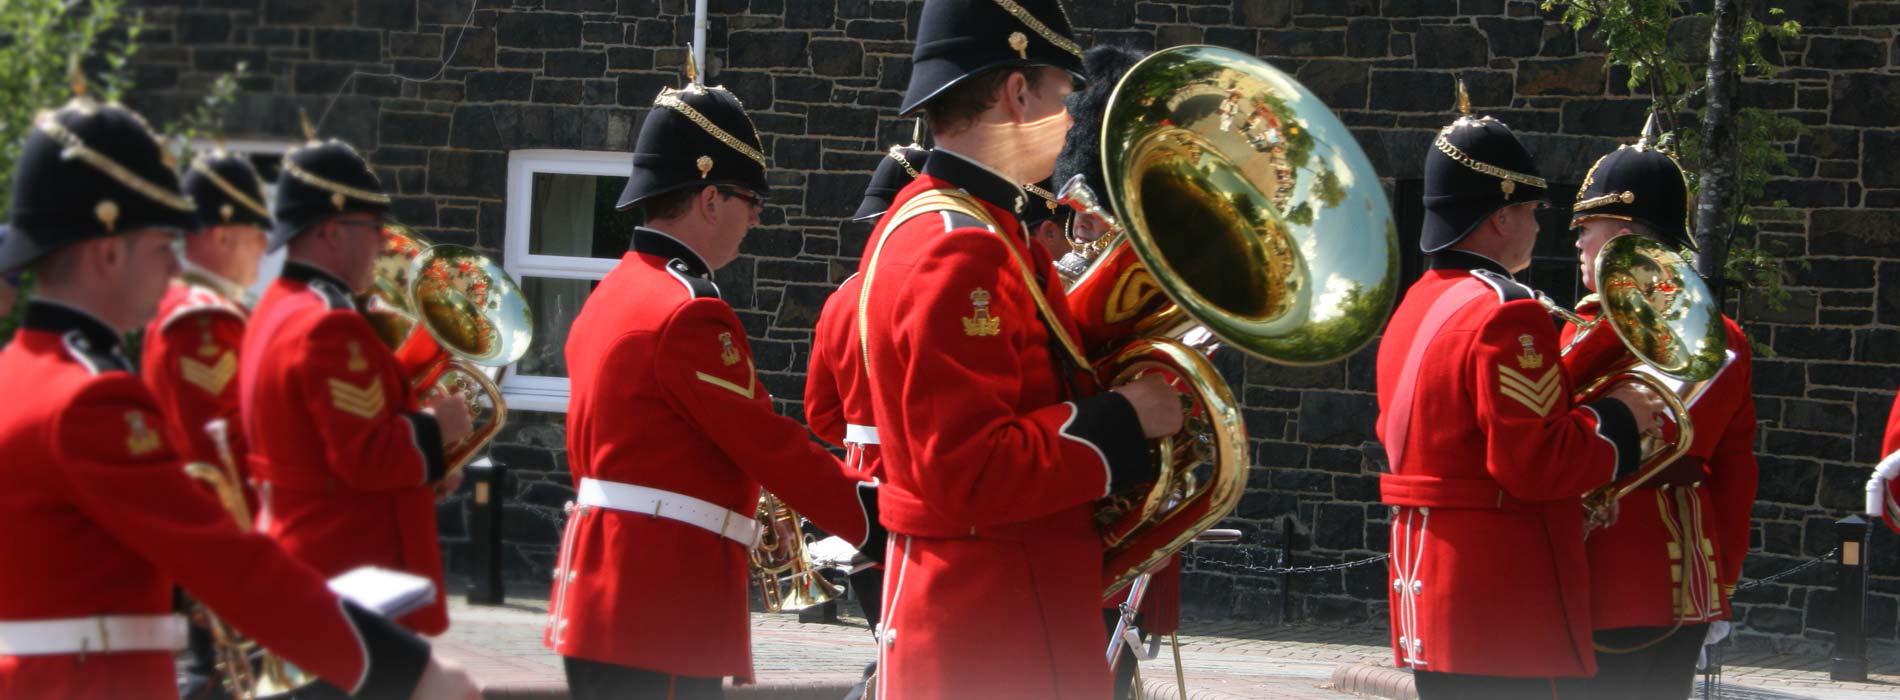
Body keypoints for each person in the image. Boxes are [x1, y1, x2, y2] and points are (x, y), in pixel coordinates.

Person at [0, 92, 475, 700]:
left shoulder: (22, 371)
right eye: (160, 246)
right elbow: (228, 565)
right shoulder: (88, 402)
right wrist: (409, 672)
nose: (174, 269)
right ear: (108, 252)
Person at [859, 2, 1185, 697]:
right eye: (1065, 93)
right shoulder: (961, 245)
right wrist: (1126, 419)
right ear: (1016, 93)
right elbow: (970, 470)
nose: (1071, 115)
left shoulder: (969, 224)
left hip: (1001, 614)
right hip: (995, 625)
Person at [546, 69, 884, 700]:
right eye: (750, 202)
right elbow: (769, 445)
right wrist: (877, 519)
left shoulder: (612, 293)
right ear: (709, 199)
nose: (754, 220)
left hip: (604, 592)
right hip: (662, 599)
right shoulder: (689, 309)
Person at [1374, 87, 1668, 699]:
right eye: (1534, 211)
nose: (1540, 226)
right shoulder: (1510, 313)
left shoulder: (1415, 306)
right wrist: (1620, 416)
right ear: (1501, 216)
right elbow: (1535, 462)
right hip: (1504, 597)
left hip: (1427, 585)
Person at [1552, 118, 1758, 700]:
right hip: (1682, 577)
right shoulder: (1725, 337)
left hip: (1603, 571)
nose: (1577, 242)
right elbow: (1738, 475)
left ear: (1621, 234)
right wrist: (1724, 577)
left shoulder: (1683, 335)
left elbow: (1595, 443)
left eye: (1585, 227)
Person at [240, 129, 472, 638]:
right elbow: (365, 457)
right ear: (330, 232)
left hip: (308, 566)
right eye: (371, 225)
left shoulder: (274, 309)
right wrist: (438, 427)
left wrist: (427, 466)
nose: (384, 241)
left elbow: (323, 451)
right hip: (348, 581)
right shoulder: (329, 326)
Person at [806, 142, 929, 700]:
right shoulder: (923, 293)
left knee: (888, 636)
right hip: (912, 482)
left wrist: (861, 433)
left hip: (857, 484)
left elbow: (820, 414)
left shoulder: (840, 301)